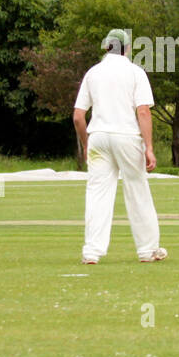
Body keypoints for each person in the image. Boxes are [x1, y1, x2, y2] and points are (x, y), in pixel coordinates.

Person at [72, 29, 167, 264]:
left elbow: (78, 116)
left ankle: (91, 252)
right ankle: (147, 250)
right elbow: (143, 111)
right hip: (126, 136)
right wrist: (149, 147)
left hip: (98, 138)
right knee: (137, 191)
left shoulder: (93, 73)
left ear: (106, 47)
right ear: (127, 48)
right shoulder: (135, 72)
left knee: (97, 194)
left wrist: (86, 144)